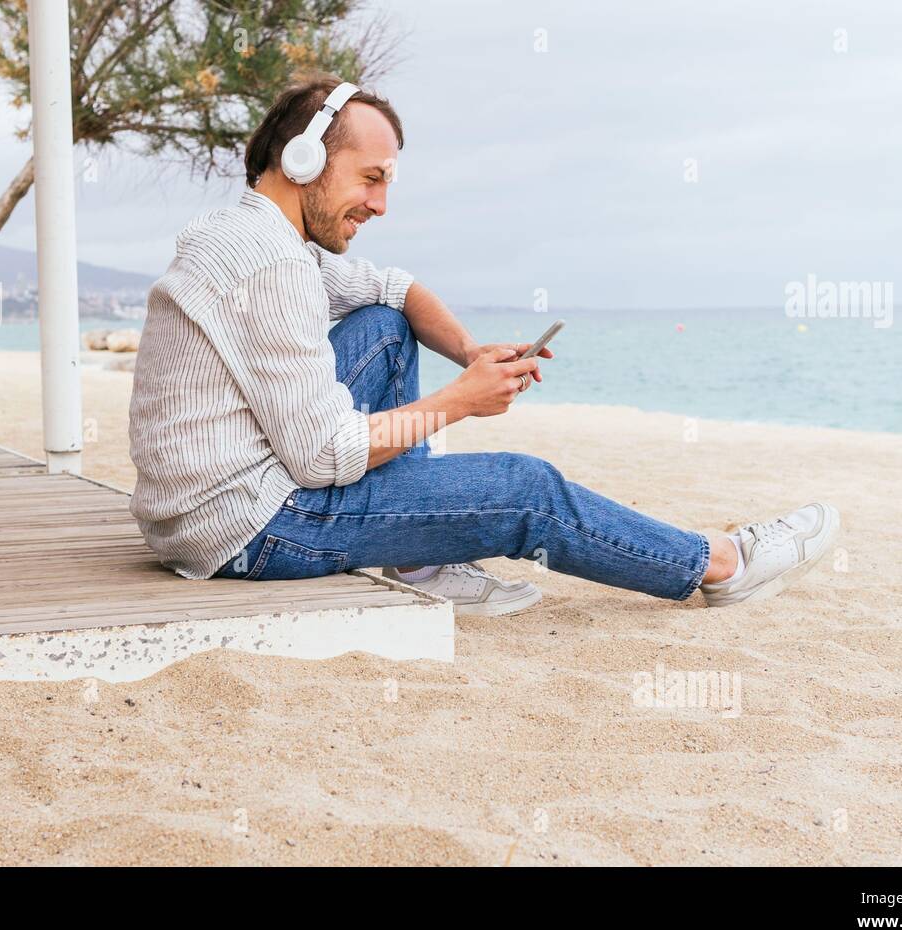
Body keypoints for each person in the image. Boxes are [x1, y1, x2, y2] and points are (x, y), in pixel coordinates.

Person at [128, 73, 840, 616]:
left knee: (383, 322)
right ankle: (720, 564)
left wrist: (469, 353)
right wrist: (460, 402)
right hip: (251, 529)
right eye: (370, 179)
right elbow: (322, 456)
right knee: (526, 488)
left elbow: (394, 288)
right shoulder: (273, 265)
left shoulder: (250, 233)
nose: (380, 205)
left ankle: (419, 562)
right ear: (304, 160)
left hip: (211, 506)